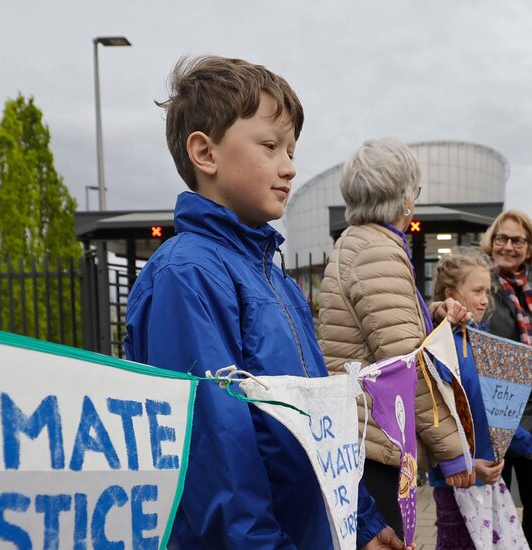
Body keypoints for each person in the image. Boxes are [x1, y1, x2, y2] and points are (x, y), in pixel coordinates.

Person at [124, 56, 403, 549]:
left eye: (292, 149)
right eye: (271, 146)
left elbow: (319, 420)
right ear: (205, 154)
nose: (290, 167)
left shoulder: (274, 279)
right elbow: (215, 456)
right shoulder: (185, 277)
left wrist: (359, 520)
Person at [317, 138, 474, 538]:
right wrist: (452, 449)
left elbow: (380, 331)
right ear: (404, 198)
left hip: (359, 433)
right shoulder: (378, 252)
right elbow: (404, 363)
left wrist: (431, 312)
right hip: (376, 442)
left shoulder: (357, 242)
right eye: (415, 193)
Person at [428, 247, 532, 549]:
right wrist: (463, 463)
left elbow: (496, 413)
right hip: (456, 480)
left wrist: (530, 449)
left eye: (487, 291)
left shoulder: (481, 343)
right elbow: (434, 421)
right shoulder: (438, 345)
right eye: (477, 290)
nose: (485, 299)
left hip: (487, 478)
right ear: (451, 293)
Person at [480, 209, 532, 550]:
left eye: (517, 240)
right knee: (495, 508)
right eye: (502, 238)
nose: (509, 246)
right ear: (491, 242)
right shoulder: (483, 286)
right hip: (497, 414)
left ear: (529, 248)